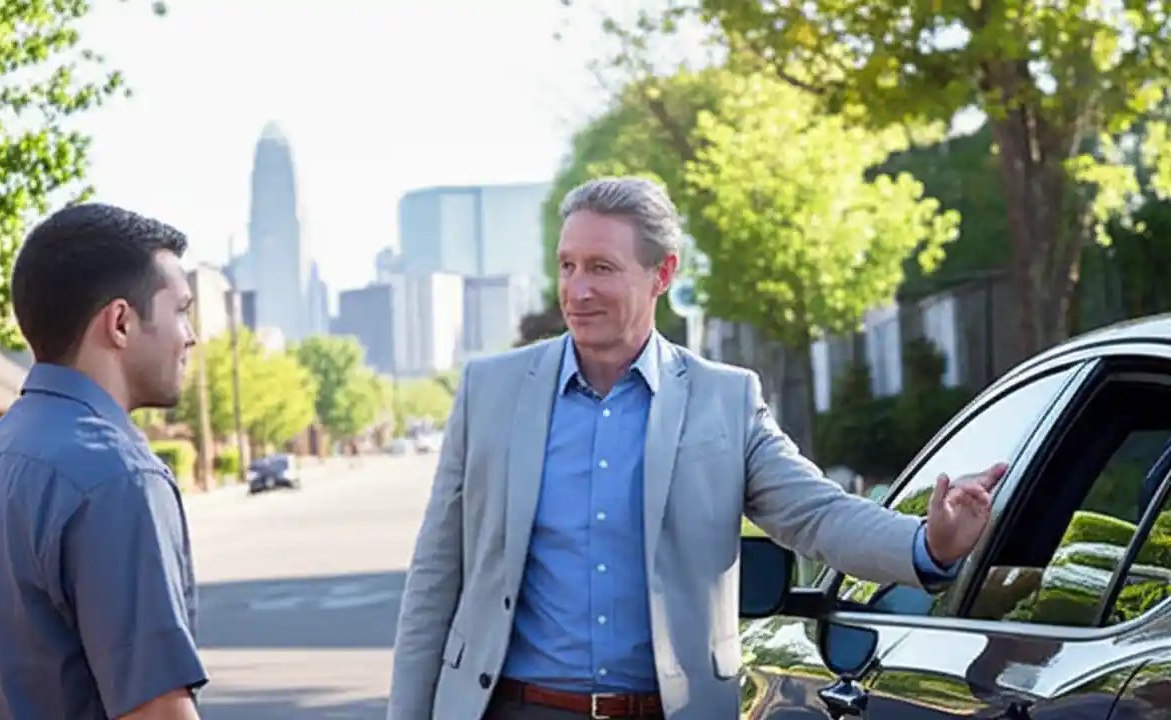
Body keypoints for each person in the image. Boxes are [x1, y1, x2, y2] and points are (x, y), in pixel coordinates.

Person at [388, 176, 1006, 719]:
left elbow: (817, 514)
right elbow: (436, 578)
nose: (577, 291)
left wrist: (929, 544)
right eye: (567, 265)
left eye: (601, 268)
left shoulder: (724, 401)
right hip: (516, 708)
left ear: (663, 273)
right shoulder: (490, 391)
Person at [0, 203, 206, 720]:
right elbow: (157, 712)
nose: (189, 335)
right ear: (121, 322)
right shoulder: (118, 477)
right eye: (181, 310)